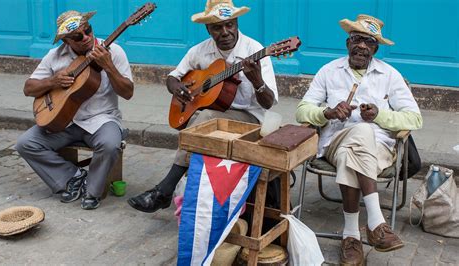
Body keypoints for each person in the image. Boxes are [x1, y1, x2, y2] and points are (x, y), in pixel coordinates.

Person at [128, 0, 278, 213]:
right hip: (216, 113)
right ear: (208, 29)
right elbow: (172, 77)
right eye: (217, 27)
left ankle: (165, 189)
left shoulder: (255, 50)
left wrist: (257, 81)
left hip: (250, 118)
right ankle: (192, 197)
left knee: (205, 117)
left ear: (236, 24)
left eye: (230, 25)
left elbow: (269, 102)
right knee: (204, 116)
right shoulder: (199, 51)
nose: (225, 32)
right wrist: (177, 88)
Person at [296, 14, 422, 265]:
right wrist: (326, 113)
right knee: (360, 134)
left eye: (369, 42)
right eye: (357, 39)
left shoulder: (390, 75)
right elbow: (301, 110)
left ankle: (351, 235)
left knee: (354, 148)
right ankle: (376, 223)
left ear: (375, 49)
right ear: (347, 42)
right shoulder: (329, 71)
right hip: (335, 142)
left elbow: (415, 119)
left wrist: (379, 115)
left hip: (378, 149)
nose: (362, 46)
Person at [16, 10, 134, 210]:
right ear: (66, 41)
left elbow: (128, 93)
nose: (86, 38)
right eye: (78, 36)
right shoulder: (54, 57)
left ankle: (93, 191)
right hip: (64, 122)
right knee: (25, 143)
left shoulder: (114, 51)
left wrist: (109, 67)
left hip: (101, 119)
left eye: (88, 30)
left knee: (110, 144)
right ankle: (72, 177)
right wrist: (52, 81)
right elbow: (29, 88)